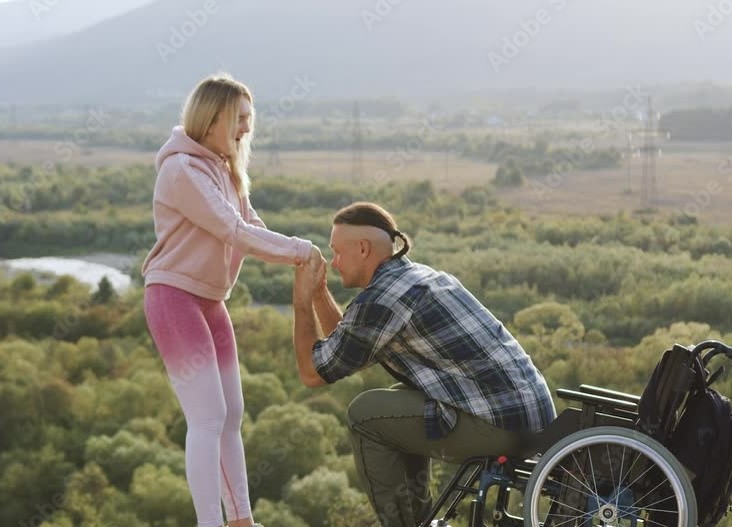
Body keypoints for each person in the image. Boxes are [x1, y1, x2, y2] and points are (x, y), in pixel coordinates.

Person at [290, 202, 556, 527]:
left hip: (502, 426)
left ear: (362, 248)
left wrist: (301, 300)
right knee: (396, 401)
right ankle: (420, 520)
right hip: (532, 418)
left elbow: (313, 374)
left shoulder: (381, 299)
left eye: (337, 252)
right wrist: (319, 293)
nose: (334, 263)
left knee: (364, 415)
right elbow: (347, 353)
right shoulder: (415, 277)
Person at [141, 73, 321, 527]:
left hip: (209, 300)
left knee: (232, 414)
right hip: (174, 297)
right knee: (207, 417)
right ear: (214, 116)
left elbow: (252, 224)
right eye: (239, 119)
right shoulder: (181, 169)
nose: (245, 128)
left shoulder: (224, 170)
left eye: (248, 119)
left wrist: (305, 259)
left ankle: (241, 519)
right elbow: (234, 232)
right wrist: (301, 250)